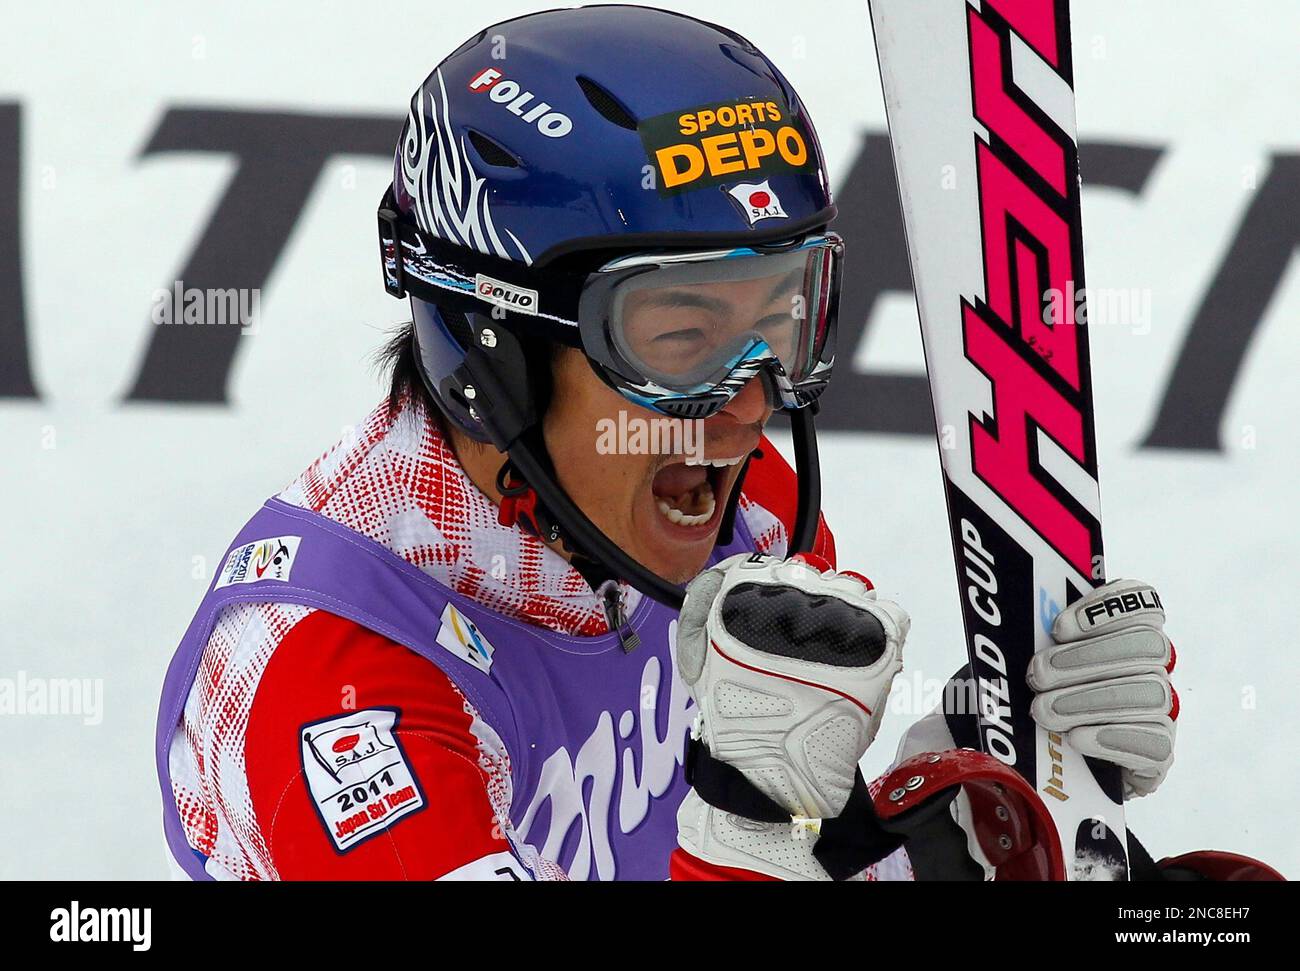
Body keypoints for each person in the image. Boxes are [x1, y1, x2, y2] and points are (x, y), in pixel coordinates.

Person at [155, 5, 1257, 882]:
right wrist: (749, 833)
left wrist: (976, 783)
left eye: (781, 320)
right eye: (679, 339)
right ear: (494, 354)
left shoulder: (727, 505)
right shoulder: (328, 688)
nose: (742, 410)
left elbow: (811, 848)